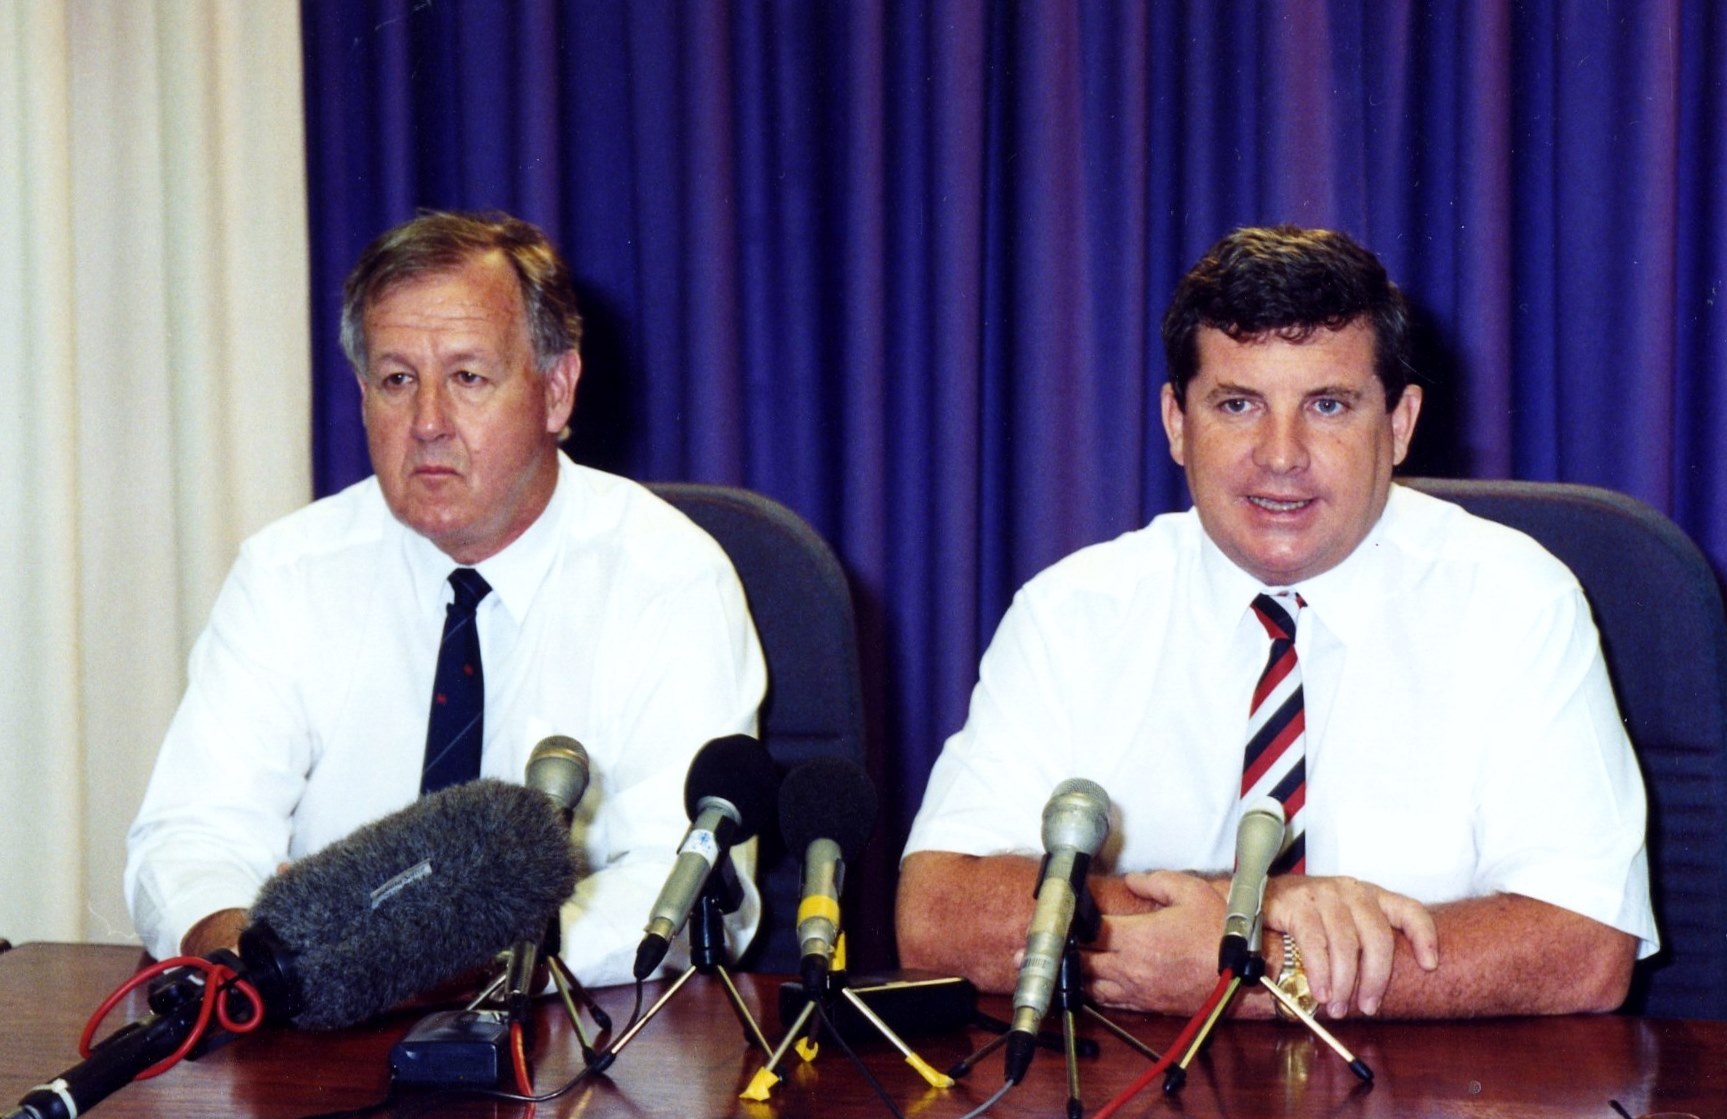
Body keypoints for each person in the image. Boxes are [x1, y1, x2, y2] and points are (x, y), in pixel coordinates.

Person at [897, 225, 1656, 1020]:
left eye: (1327, 405)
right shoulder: (1073, 612)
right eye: (1237, 404)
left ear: (1397, 423)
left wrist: (1254, 968)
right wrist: (1241, 912)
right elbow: (937, 913)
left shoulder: (1515, 601)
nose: (1281, 453)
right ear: (1176, 422)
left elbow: (1584, 946)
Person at [125, 211, 767, 986]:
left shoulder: (668, 576)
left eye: (467, 377)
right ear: (363, 397)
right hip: (319, 1037)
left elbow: (685, 888)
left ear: (556, 390)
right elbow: (189, 835)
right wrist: (249, 953)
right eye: (398, 380)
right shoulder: (288, 572)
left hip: (577, 1046)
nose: (427, 423)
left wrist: (429, 964)